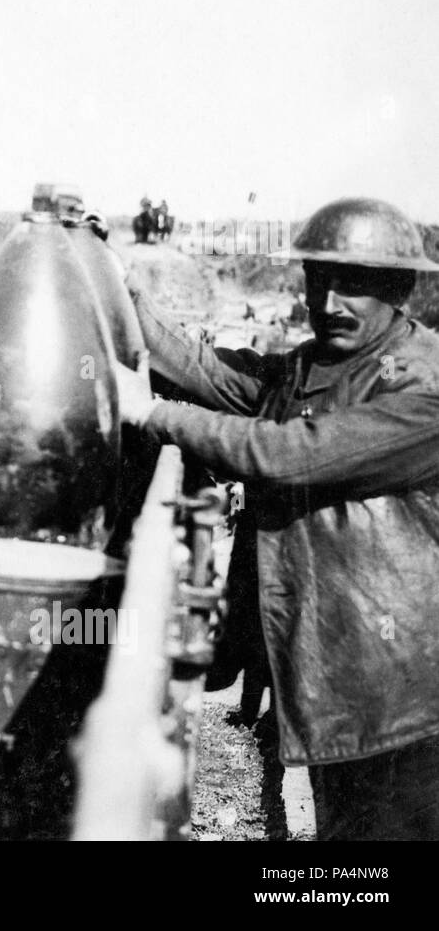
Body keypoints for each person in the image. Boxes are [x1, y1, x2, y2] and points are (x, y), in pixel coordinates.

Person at [113, 197, 439, 840]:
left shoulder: (422, 390)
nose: (329, 302)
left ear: (399, 289)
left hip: (405, 693)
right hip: (340, 683)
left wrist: (152, 414)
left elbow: (288, 455)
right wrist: (116, 285)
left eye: (354, 285)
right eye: (319, 280)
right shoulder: (314, 367)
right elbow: (208, 370)